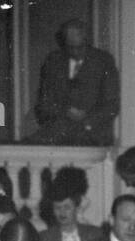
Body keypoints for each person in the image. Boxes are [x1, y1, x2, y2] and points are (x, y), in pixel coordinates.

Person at [30, 17, 120, 146]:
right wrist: (64, 111)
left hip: (94, 138)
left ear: (87, 42)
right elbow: (43, 103)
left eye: (80, 47)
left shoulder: (103, 61)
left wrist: (87, 120)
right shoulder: (52, 62)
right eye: (71, 48)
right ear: (63, 44)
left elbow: (112, 104)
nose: (76, 52)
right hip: (58, 136)